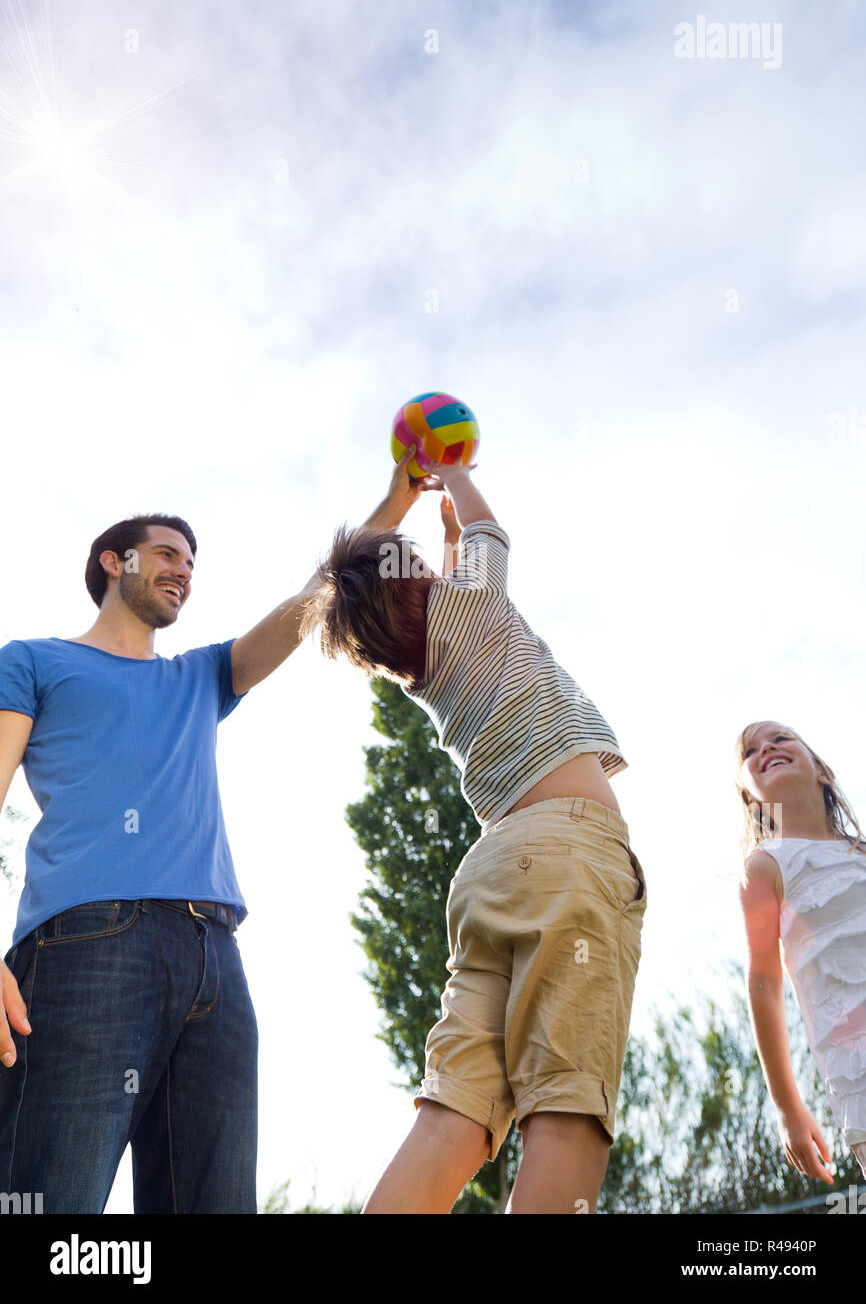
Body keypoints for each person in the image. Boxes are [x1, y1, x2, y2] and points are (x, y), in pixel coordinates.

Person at [0, 492, 418, 1214]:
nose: (183, 571)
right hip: (85, 947)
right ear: (112, 561)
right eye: (167, 553)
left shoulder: (200, 676)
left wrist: (398, 498)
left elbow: (310, 599)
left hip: (215, 960)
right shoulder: (34, 662)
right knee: (48, 1202)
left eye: (191, 563)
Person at [301, 446, 647, 1213]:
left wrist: (445, 539)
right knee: (564, 1103)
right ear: (419, 578)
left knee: (454, 1113)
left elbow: (453, 583)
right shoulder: (474, 609)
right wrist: (450, 477)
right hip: (566, 854)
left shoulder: (424, 672)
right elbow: (492, 531)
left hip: (495, 875)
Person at [737, 719, 866, 1184]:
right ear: (753, 800)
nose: (767, 748)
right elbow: (765, 983)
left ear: (823, 772)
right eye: (751, 751)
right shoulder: (765, 867)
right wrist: (787, 1107)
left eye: (780, 738)